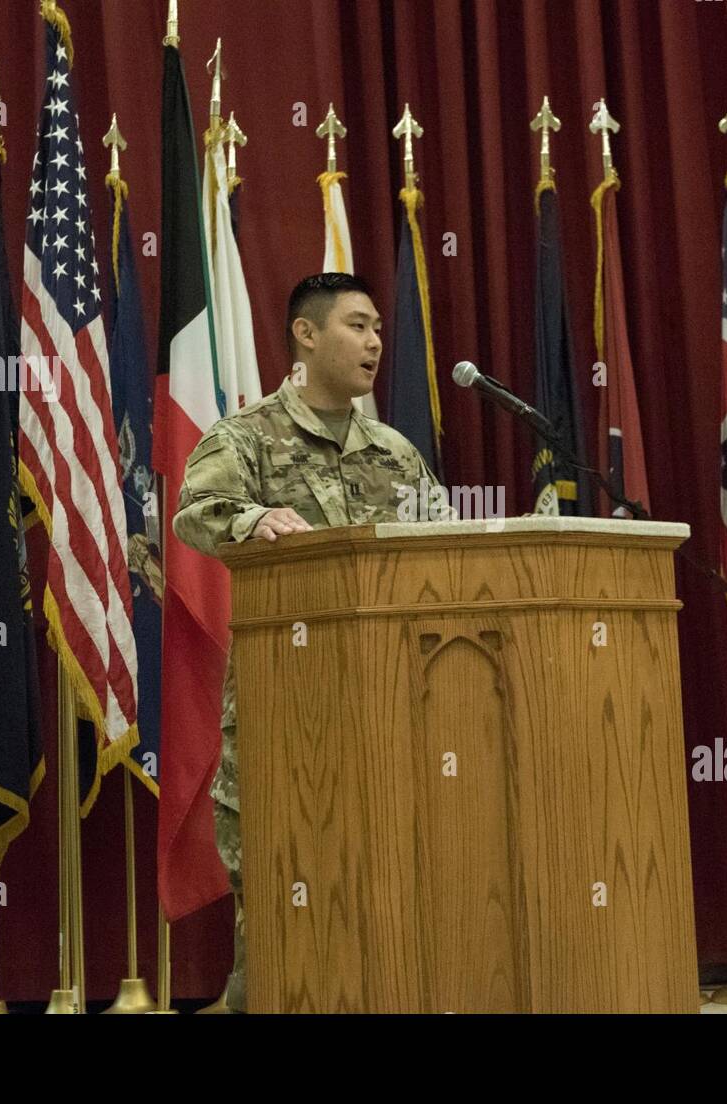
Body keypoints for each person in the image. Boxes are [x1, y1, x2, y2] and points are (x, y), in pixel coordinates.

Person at [172, 272, 453, 1010]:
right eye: (358, 326)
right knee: (281, 916)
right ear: (306, 333)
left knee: (392, 897)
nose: (374, 344)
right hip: (287, 717)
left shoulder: (395, 453)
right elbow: (194, 511)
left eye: (379, 330)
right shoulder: (248, 439)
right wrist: (251, 521)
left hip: (396, 714)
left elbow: (448, 552)